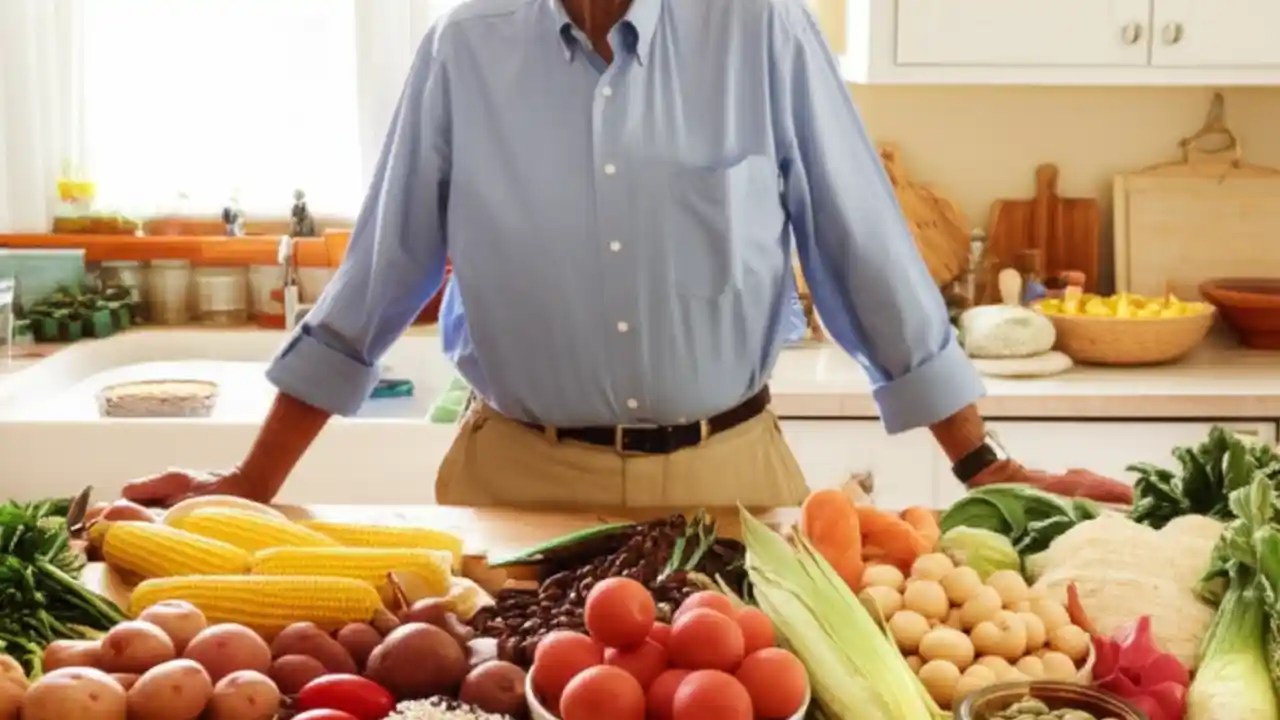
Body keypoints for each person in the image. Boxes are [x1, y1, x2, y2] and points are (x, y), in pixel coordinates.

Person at [123, 0, 1133, 509]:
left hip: (728, 480)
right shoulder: (464, 45)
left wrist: (982, 465)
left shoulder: (759, 27)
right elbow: (377, 280)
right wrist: (248, 485)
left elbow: (860, 252)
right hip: (508, 482)